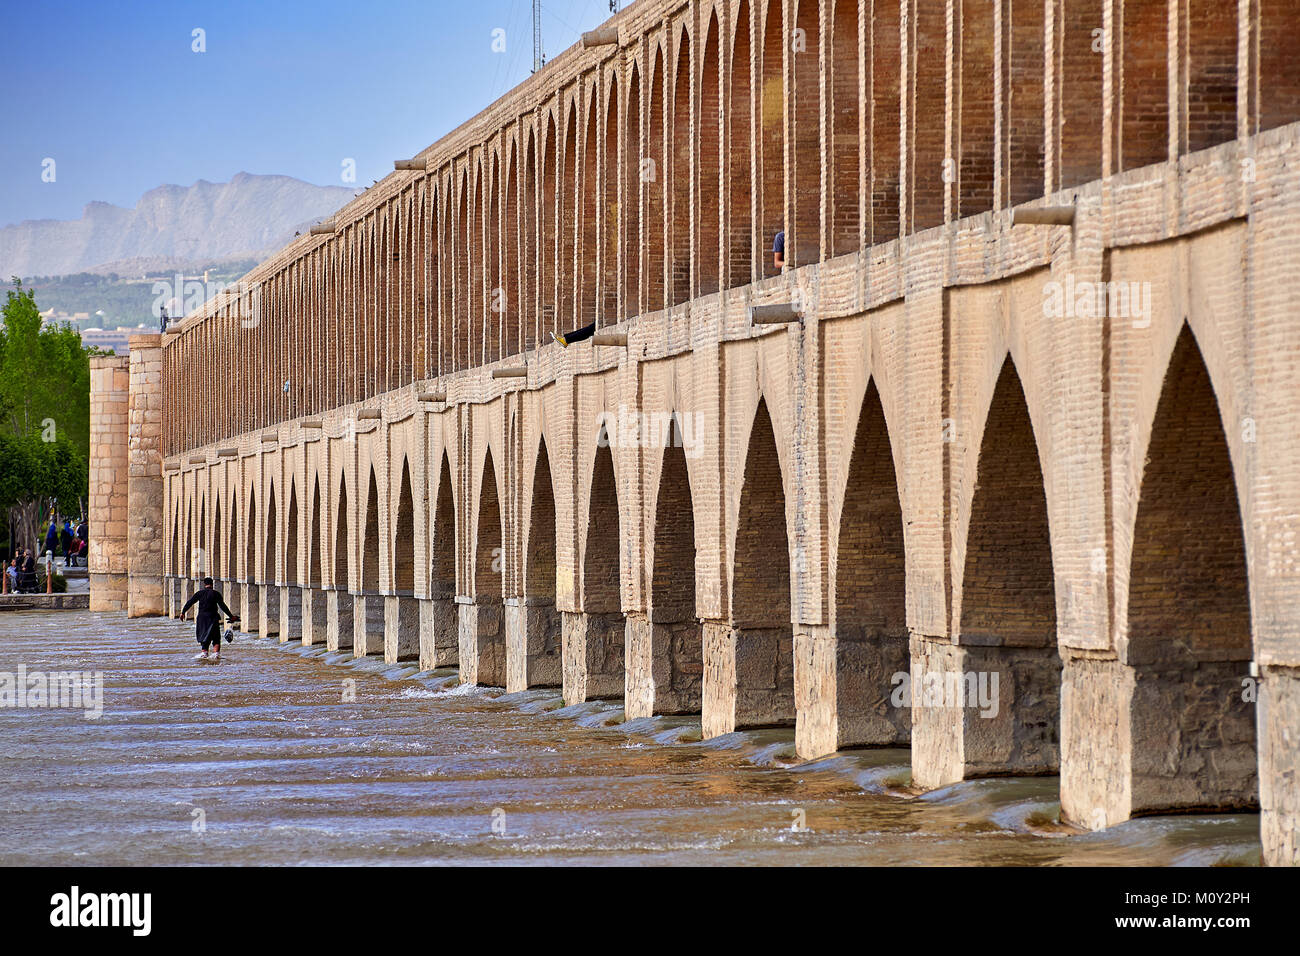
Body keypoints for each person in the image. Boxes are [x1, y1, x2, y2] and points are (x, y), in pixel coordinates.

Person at [180, 577, 238, 660]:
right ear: (212, 584)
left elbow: (190, 602)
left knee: (204, 636)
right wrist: (231, 616)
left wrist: (183, 612)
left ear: (204, 584)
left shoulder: (199, 593)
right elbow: (223, 606)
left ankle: (204, 653)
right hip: (213, 618)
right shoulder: (216, 594)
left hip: (202, 619)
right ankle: (216, 654)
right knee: (216, 637)